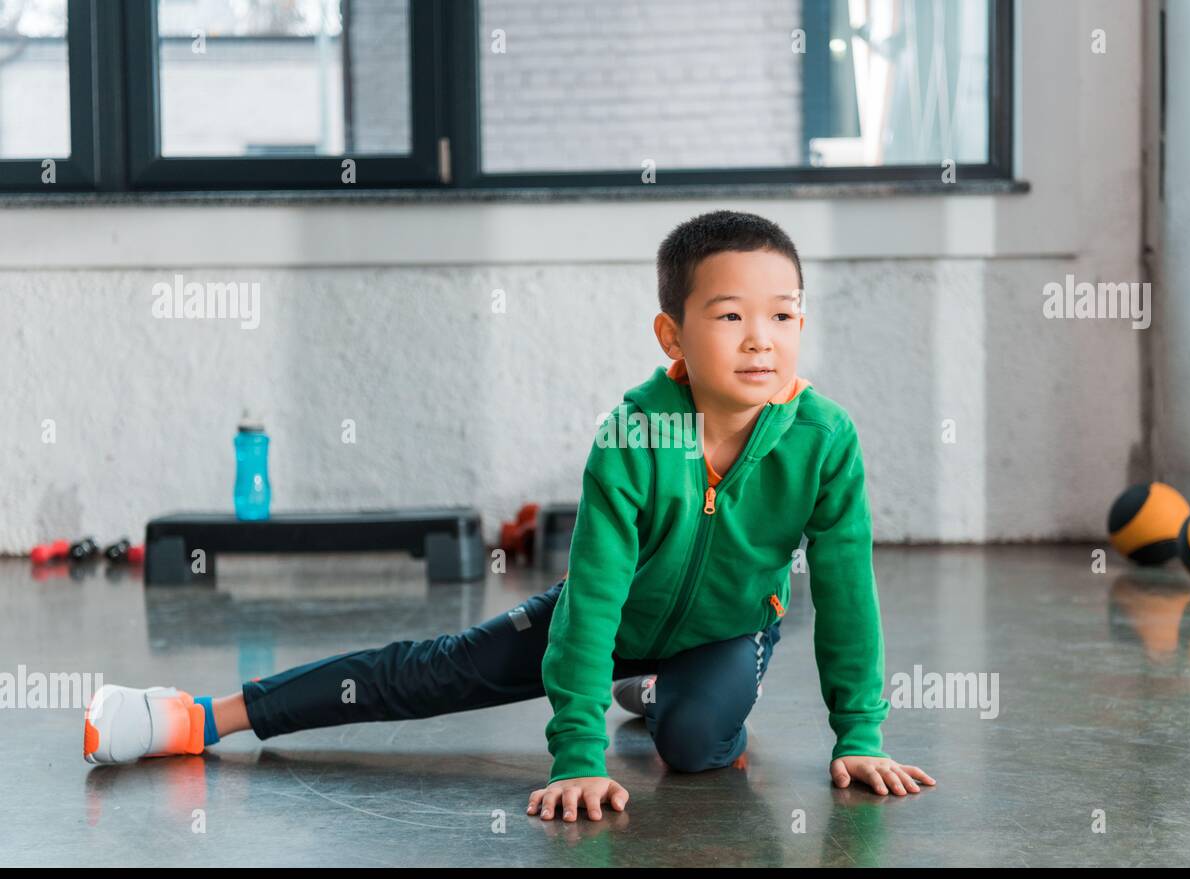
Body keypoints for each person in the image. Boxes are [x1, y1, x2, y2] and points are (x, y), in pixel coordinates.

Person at [83, 209, 935, 823]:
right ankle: (205, 715)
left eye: (783, 315)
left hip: (727, 631)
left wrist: (858, 732)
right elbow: (595, 595)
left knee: (697, 739)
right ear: (671, 337)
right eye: (732, 316)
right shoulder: (635, 431)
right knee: (436, 669)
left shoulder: (826, 439)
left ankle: (652, 691)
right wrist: (577, 757)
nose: (762, 339)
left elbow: (847, 587)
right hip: (606, 617)